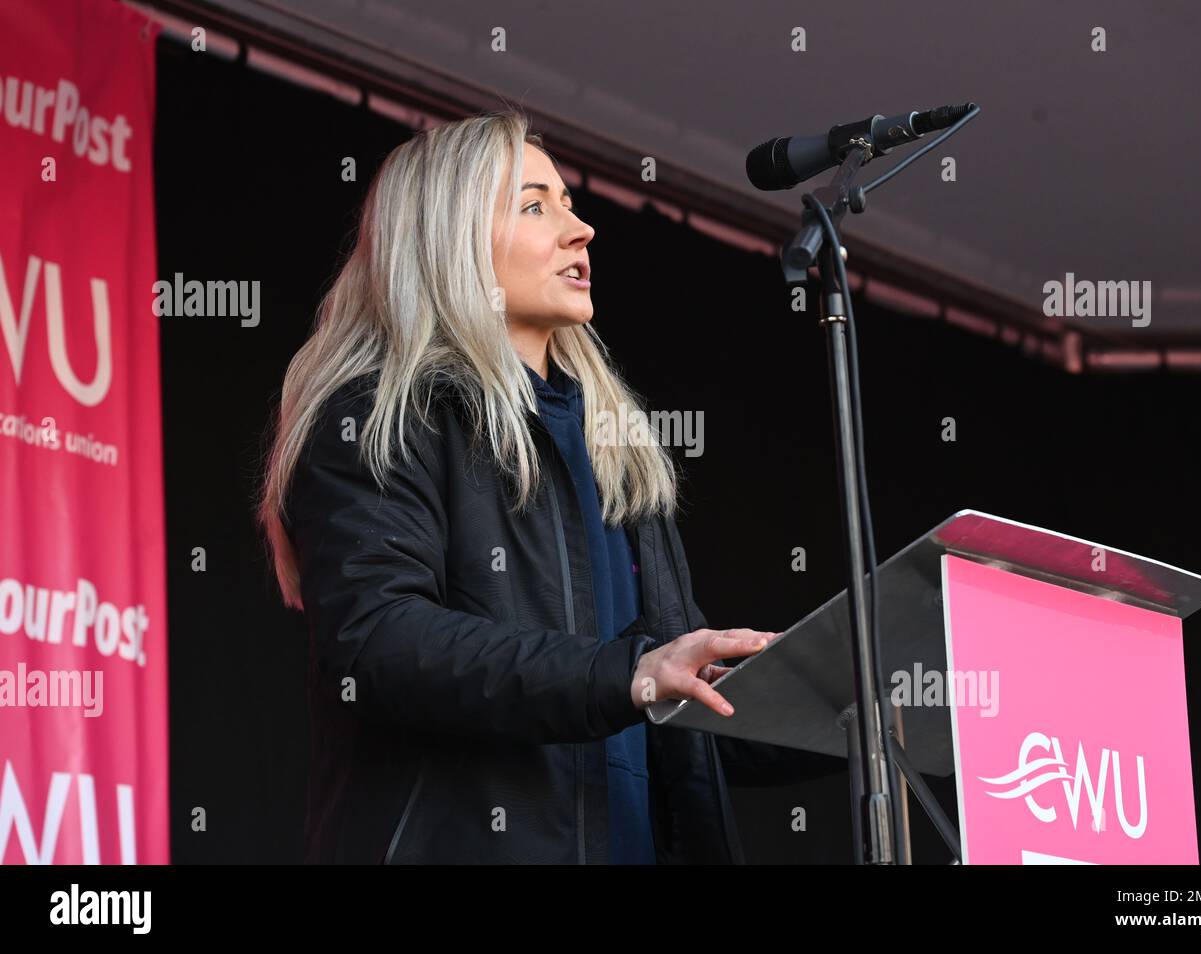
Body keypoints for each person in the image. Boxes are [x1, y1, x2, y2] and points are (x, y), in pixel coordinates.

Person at [258, 110, 841, 865]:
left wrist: (847, 710)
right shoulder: (380, 413)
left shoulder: (613, 451)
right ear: (447, 240)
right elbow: (378, 640)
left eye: (568, 201)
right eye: (535, 205)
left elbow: (683, 726)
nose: (581, 230)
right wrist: (624, 673)